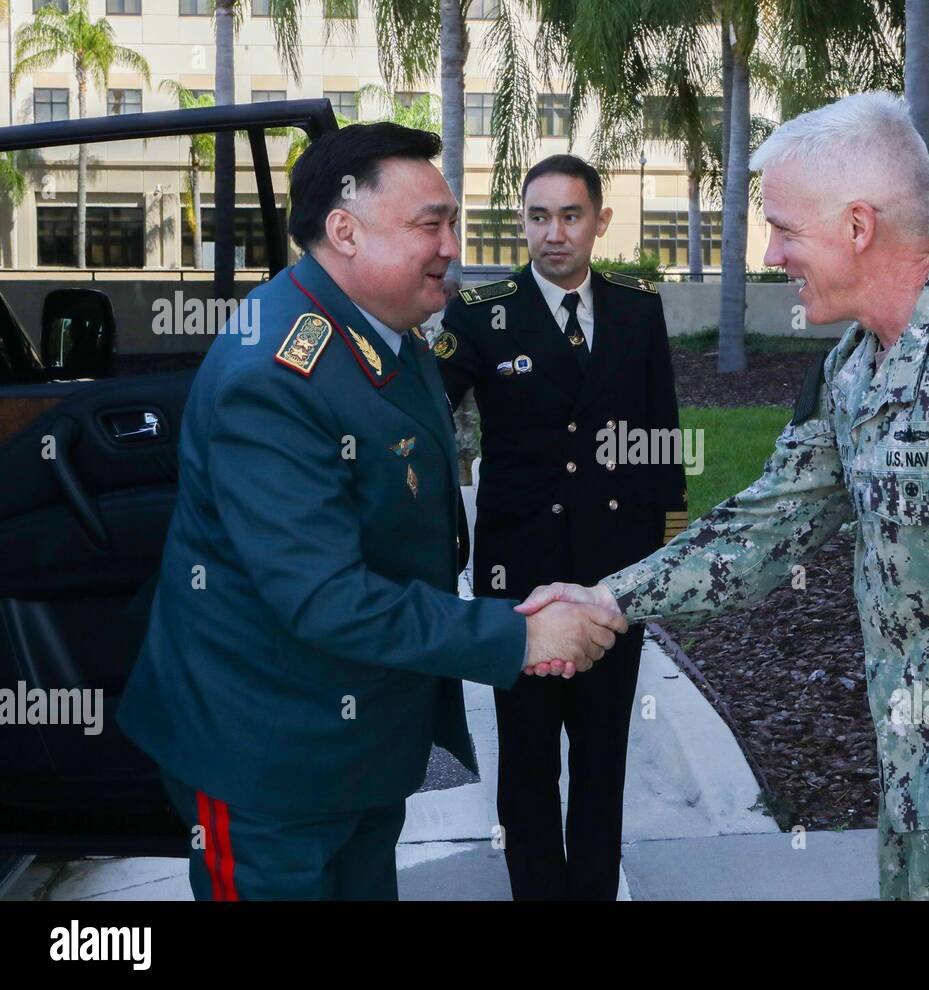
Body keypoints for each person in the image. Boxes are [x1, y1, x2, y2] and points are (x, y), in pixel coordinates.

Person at [520, 93, 929, 901]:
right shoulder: (857, 366)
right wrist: (610, 597)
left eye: (783, 228)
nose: (772, 252)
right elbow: (771, 520)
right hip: (922, 768)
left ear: (857, 227)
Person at [116, 123, 626, 901]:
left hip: (358, 748)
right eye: (431, 224)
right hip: (266, 763)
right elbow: (323, 597)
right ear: (344, 230)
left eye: (452, 222)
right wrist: (517, 637)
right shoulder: (275, 373)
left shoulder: (389, 336)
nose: (452, 245)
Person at [436, 154, 688, 900]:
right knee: (528, 759)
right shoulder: (482, 312)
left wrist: (663, 557)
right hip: (522, 576)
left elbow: (661, 433)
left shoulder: (637, 308)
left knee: (603, 753)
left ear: (599, 222)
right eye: (538, 216)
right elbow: (426, 414)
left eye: (570, 215)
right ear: (521, 222)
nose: (554, 233)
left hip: (614, 572)